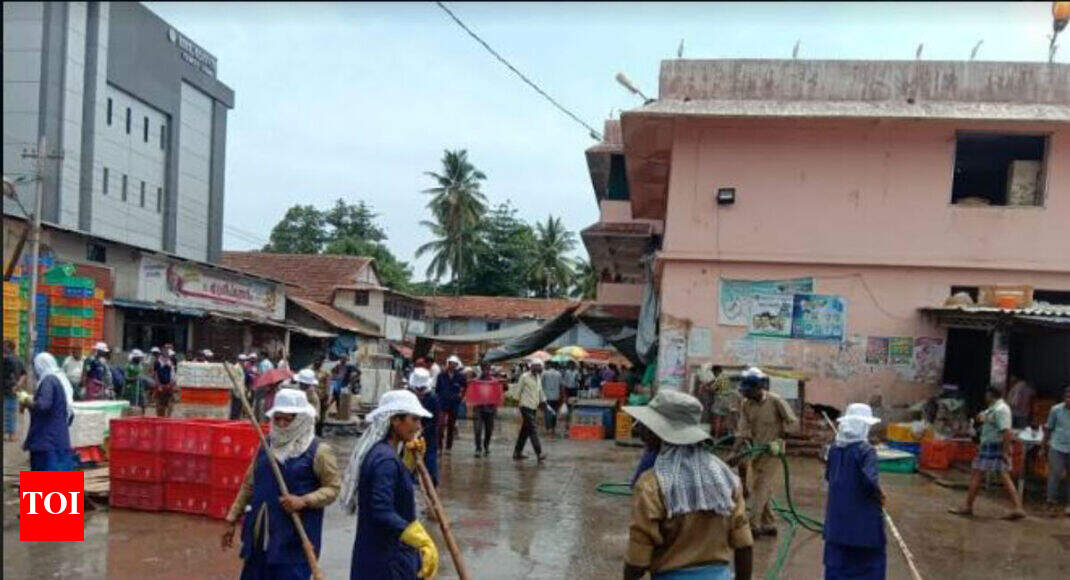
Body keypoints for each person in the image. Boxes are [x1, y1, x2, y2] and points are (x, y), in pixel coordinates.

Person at [621, 390, 753, 580]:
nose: (641, 430)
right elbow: (744, 545)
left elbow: (637, 561)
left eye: (648, 426)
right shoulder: (725, 477)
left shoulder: (652, 484)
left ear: (660, 433)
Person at [222, 388, 340, 579]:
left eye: (288, 419)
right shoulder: (266, 444)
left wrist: (305, 500)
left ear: (301, 418)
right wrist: (232, 518)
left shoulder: (319, 451)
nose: (282, 424)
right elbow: (249, 484)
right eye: (278, 419)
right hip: (259, 538)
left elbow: (333, 488)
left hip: (294, 541)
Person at [340, 389, 439, 580]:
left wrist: (408, 463)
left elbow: (395, 489)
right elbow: (381, 509)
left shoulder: (384, 453)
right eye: (414, 419)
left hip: (376, 552)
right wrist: (417, 536)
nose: (419, 426)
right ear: (395, 420)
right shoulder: (385, 459)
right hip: (386, 558)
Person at [824, 403, 887, 580]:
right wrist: (879, 494)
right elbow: (870, 481)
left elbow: (829, 477)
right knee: (867, 568)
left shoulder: (834, 449)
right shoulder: (866, 451)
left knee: (837, 566)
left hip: (836, 523)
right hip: (863, 526)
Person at [735, 367, 798, 537]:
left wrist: (780, 438)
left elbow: (793, 423)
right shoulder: (746, 404)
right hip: (756, 452)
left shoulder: (776, 401)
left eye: (748, 390)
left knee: (760, 487)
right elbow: (742, 431)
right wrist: (733, 453)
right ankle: (769, 523)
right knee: (762, 487)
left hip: (773, 452)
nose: (745, 394)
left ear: (758, 388)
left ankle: (752, 525)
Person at [949, 386, 1026, 520]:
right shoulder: (995, 408)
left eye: (986, 394)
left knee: (978, 474)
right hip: (992, 445)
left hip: (993, 446)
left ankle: (968, 506)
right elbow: (986, 418)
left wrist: (1005, 451)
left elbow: (1006, 431)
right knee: (1001, 475)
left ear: (990, 395)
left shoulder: (1001, 409)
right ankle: (1017, 507)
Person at [20, 353, 75, 471]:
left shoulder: (48, 381)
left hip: (46, 439)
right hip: (59, 439)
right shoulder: (60, 378)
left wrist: (27, 401)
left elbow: (43, 405)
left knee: (46, 480)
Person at [408, 368, 440, 487]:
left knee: (429, 456)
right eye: (417, 389)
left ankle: (432, 480)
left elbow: (435, 419)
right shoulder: (410, 397)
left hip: (429, 432)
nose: (419, 391)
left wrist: (423, 429)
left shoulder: (432, 398)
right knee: (409, 455)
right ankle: (411, 478)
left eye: (421, 389)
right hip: (412, 431)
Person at [513, 358, 548, 462]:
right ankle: (539, 453)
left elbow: (540, 391)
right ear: (532, 366)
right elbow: (518, 391)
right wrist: (515, 403)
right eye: (538, 366)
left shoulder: (538, 377)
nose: (540, 368)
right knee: (533, 429)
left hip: (533, 406)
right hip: (525, 406)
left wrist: (544, 401)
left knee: (525, 431)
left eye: (541, 367)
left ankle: (517, 452)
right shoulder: (524, 377)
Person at [1043, 386, 1070, 518]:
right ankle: (1051, 503)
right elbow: (1048, 428)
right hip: (1057, 447)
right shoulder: (1056, 410)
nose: (1069, 399)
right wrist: (1043, 447)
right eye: (1067, 396)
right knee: (1055, 475)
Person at [435, 355, 466, 453]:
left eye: (454, 364)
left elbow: (465, 386)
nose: (452, 365)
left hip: (454, 403)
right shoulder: (441, 375)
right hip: (442, 402)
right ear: (448, 364)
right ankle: (439, 446)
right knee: (440, 425)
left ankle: (448, 447)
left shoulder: (460, 376)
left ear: (456, 365)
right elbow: (437, 389)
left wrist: (461, 397)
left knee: (451, 425)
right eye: (450, 363)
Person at [472, 362, 497, 458]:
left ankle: (486, 446)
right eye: (484, 368)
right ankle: (478, 448)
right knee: (477, 429)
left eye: (488, 368)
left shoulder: (493, 381)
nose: (486, 370)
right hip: (478, 408)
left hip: (490, 409)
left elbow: (500, 392)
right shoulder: (477, 380)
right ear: (482, 369)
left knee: (489, 430)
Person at [3, 340, 27, 441]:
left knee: (10, 412)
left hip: (10, 389)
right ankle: (10, 434)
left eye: (5, 346)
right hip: (11, 388)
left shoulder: (14, 360)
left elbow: (23, 374)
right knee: (10, 412)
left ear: (10, 348)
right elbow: (24, 374)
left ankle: (11, 435)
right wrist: (18, 385)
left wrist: (18, 385)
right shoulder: (18, 359)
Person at [293, 369, 322, 433]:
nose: (299, 384)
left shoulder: (312, 397)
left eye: (300, 383)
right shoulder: (300, 392)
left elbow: (315, 417)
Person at [540, 362, 564, 437]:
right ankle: (553, 428)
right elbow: (561, 386)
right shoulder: (559, 374)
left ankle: (548, 429)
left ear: (549, 365)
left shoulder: (544, 374)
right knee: (554, 413)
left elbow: (540, 385)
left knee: (547, 413)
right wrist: (562, 396)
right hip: (556, 397)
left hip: (546, 397)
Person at [154, 349, 178, 417]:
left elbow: (173, 375)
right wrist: (159, 385)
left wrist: (171, 384)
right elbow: (156, 374)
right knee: (160, 406)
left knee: (170, 405)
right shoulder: (158, 363)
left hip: (169, 386)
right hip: (160, 386)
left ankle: (168, 418)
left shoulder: (170, 363)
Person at [311, 357, 331, 435]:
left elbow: (328, 385)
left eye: (320, 361)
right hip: (312, 396)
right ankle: (312, 432)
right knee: (312, 413)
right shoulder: (309, 371)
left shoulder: (326, 372)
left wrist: (328, 396)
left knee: (322, 414)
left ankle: (319, 431)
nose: (318, 363)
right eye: (316, 361)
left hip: (322, 396)